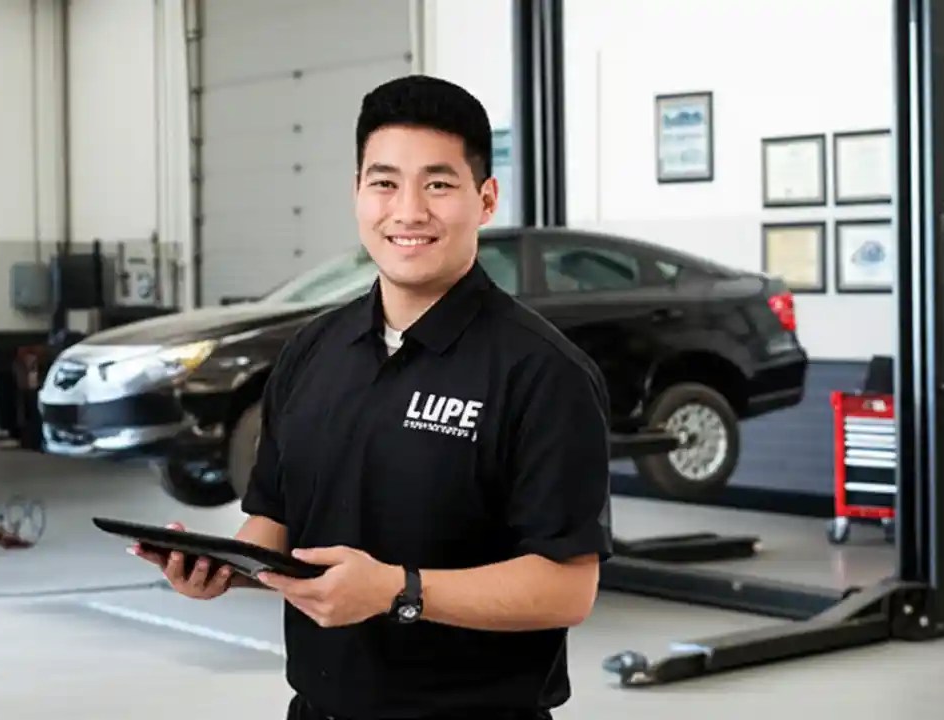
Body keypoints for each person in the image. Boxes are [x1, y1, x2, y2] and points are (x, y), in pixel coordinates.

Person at [132, 74, 614, 720]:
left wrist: (397, 592)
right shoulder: (310, 354)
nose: (408, 211)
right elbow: (273, 529)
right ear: (357, 193)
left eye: (438, 184)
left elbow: (567, 588)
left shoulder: (543, 373)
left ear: (487, 199)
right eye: (384, 182)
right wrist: (225, 568)